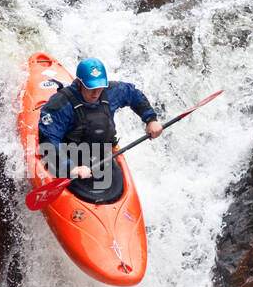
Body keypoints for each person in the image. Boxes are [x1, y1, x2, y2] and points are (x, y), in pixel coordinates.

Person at [37, 57, 163, 198]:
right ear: (79, 83)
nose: (96, 93)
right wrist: (71, 168)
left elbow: (133, 93)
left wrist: (151, 119)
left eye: (99, 87)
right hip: (71, 160)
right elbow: (48, 139)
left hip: (101, 157)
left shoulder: (110, 92)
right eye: (91, 88)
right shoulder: (60, 104)